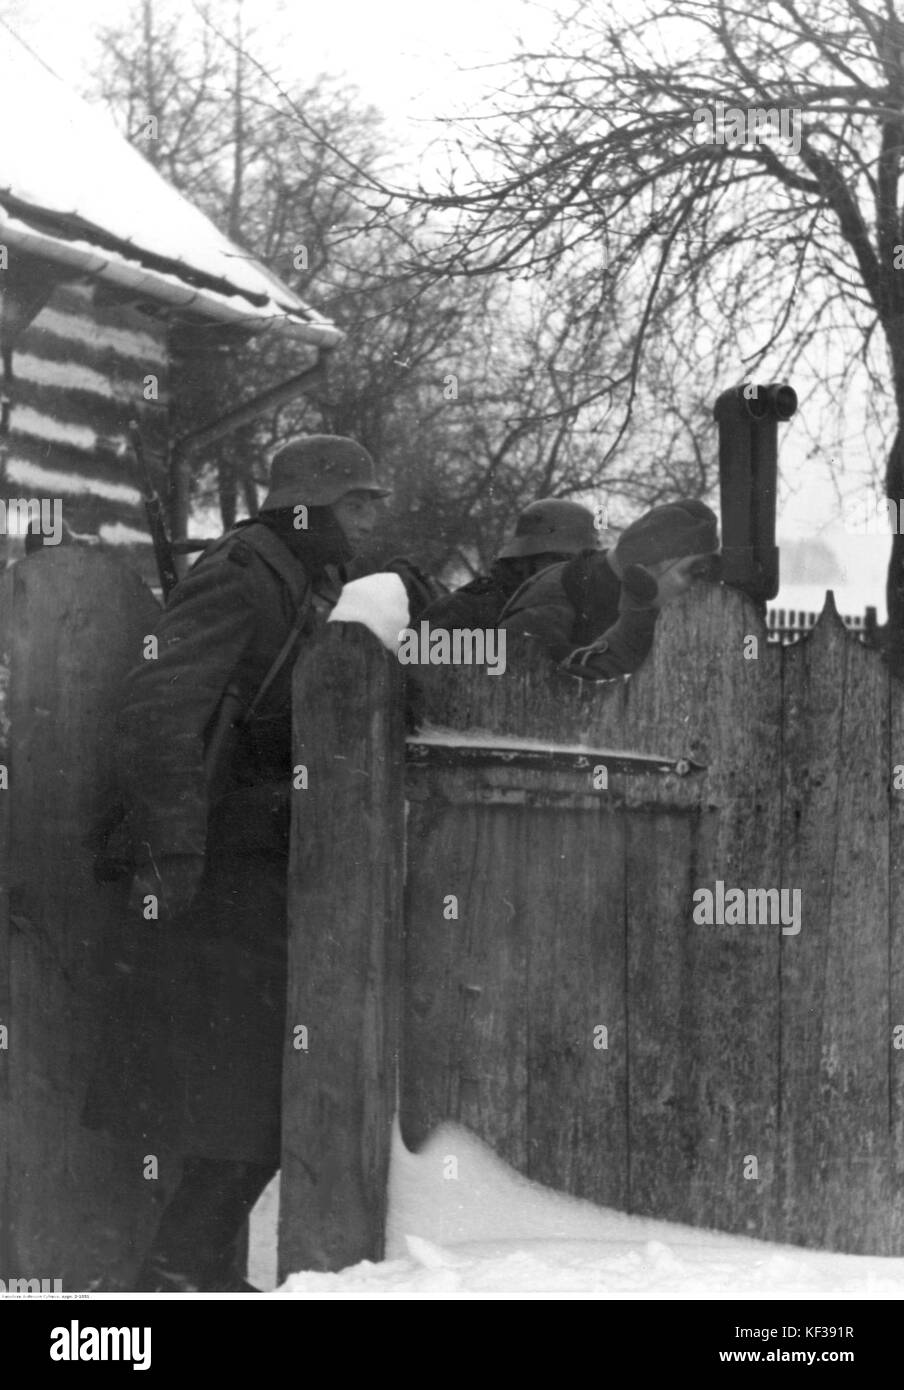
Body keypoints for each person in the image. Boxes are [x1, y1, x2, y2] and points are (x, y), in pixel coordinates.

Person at [85, 434, 389, 1292]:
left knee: (255, 1095)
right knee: (241, 1095)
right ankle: (173, 1278)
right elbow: (159, 706)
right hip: (213, 868)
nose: (369, 520)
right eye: (358, 502)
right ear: (312, 504)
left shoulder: (301, 578)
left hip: (250, 861)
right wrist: (174, 851)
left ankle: (187, 1273)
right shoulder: (245, 572)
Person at [499, 500, 721, 679]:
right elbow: (537, 697)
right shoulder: (548, 608)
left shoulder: (645, 601)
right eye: (695, 572)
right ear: (645, 572)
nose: (702, 588)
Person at [421, 498, 600, 630]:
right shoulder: (466, 611)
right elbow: (416, 674)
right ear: (523, 561)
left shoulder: (586, 622)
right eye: (559, 560)